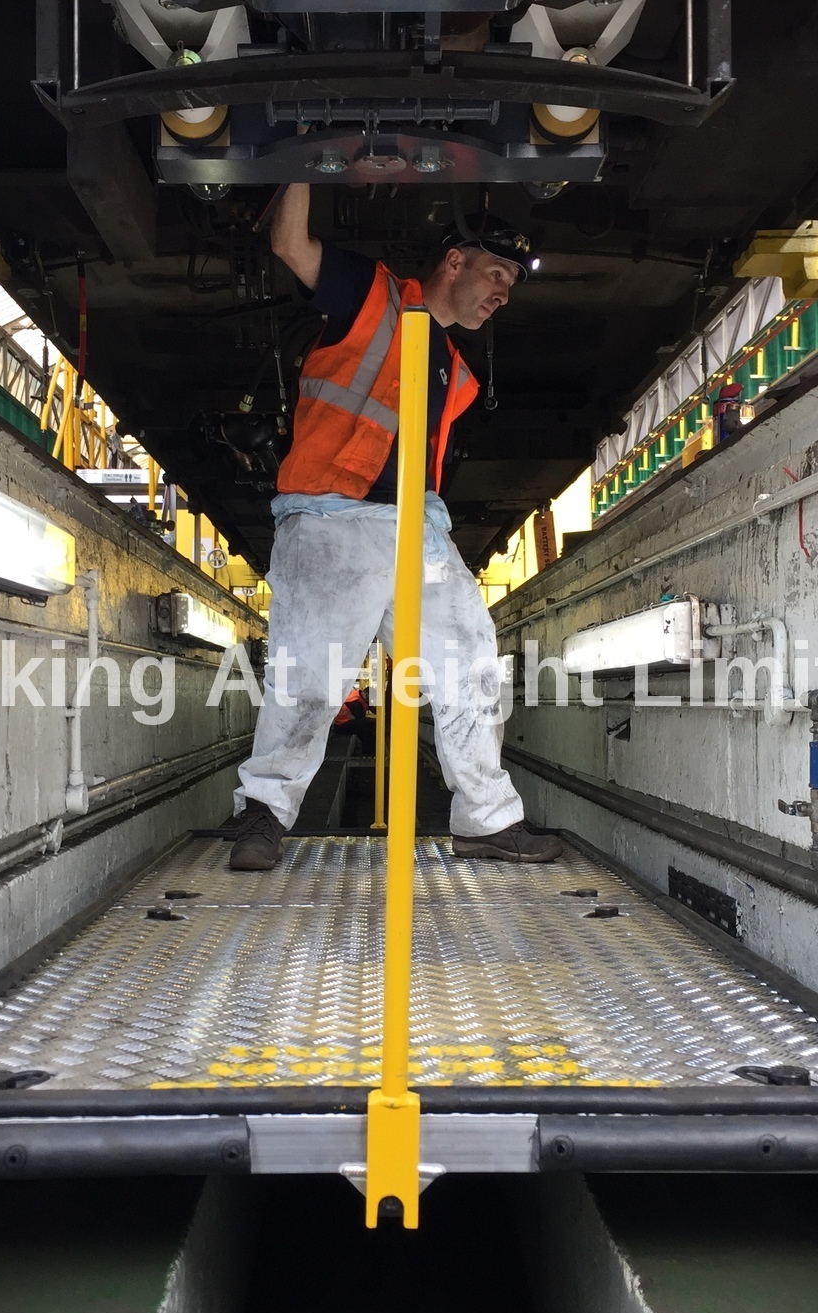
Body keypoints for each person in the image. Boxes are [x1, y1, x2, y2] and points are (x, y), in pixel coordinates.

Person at [229, 182, 563, 871]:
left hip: (415, 529)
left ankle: (486, 821)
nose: (502, 290)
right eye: (494, 273)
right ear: (453, 264)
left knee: (469, 661)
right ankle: (262, 815)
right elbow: (290, 245)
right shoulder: (372, 295)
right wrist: (296, 167)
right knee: (311, 677)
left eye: (509, 282)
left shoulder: (453, 367)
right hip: (329, 518)